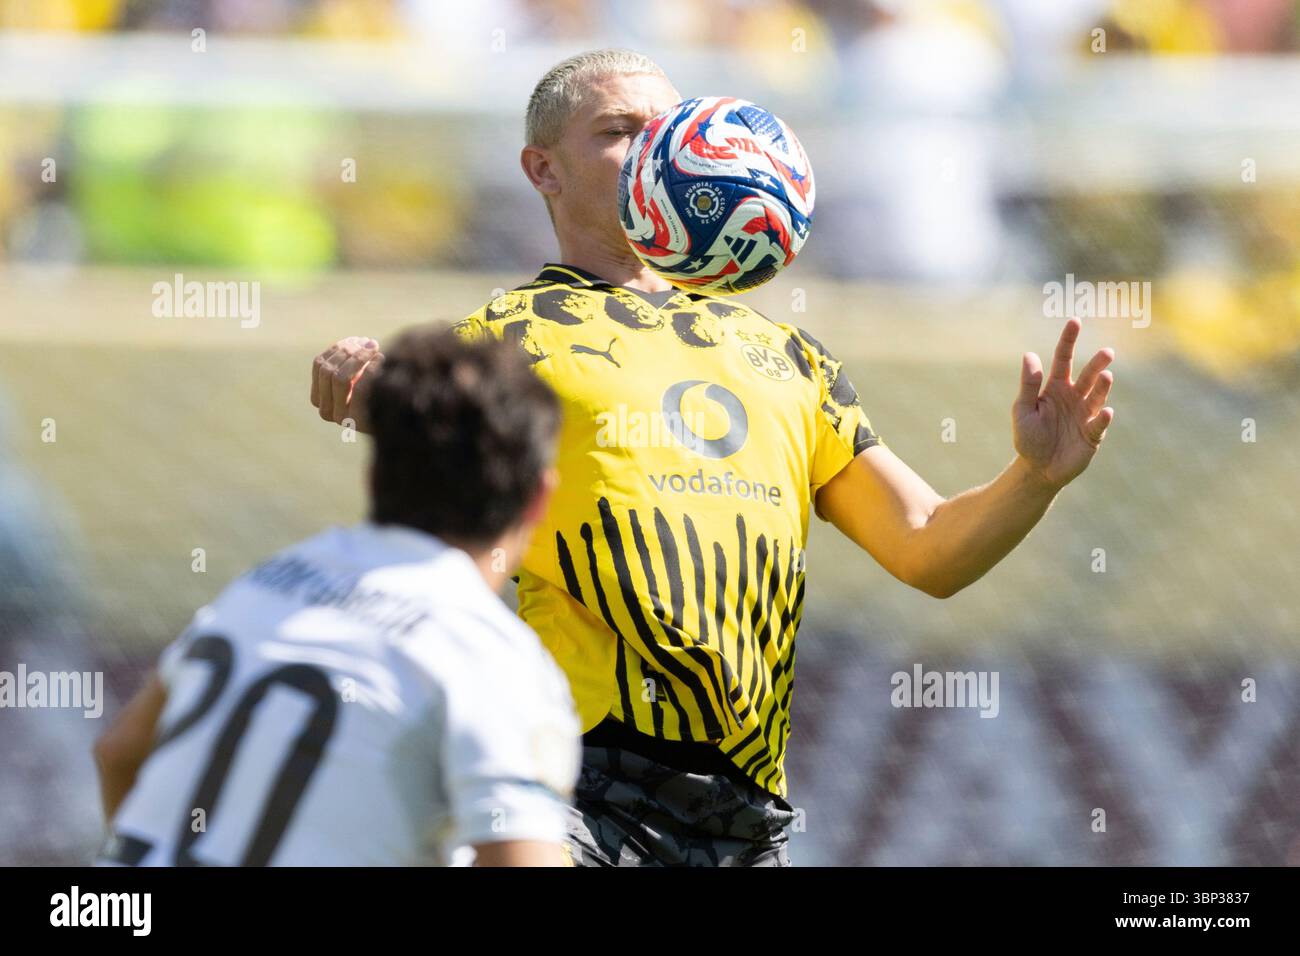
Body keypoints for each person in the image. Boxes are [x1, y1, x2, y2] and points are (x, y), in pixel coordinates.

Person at [310, 49, 1116, 866]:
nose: (649, 151)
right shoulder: (510, 338)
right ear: (543, 170)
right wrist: (363, 384)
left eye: (663, 129)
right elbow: (408, 404)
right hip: (575, 784)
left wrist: (1036, 477)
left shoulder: (788, 356)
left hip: (746, 814)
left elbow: (928, 547)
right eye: (617, 132)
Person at [96, 328, 578, 866]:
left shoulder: (270, 582)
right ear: (540, 498)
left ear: (372, 476)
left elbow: (119, 753)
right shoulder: (490, 656)